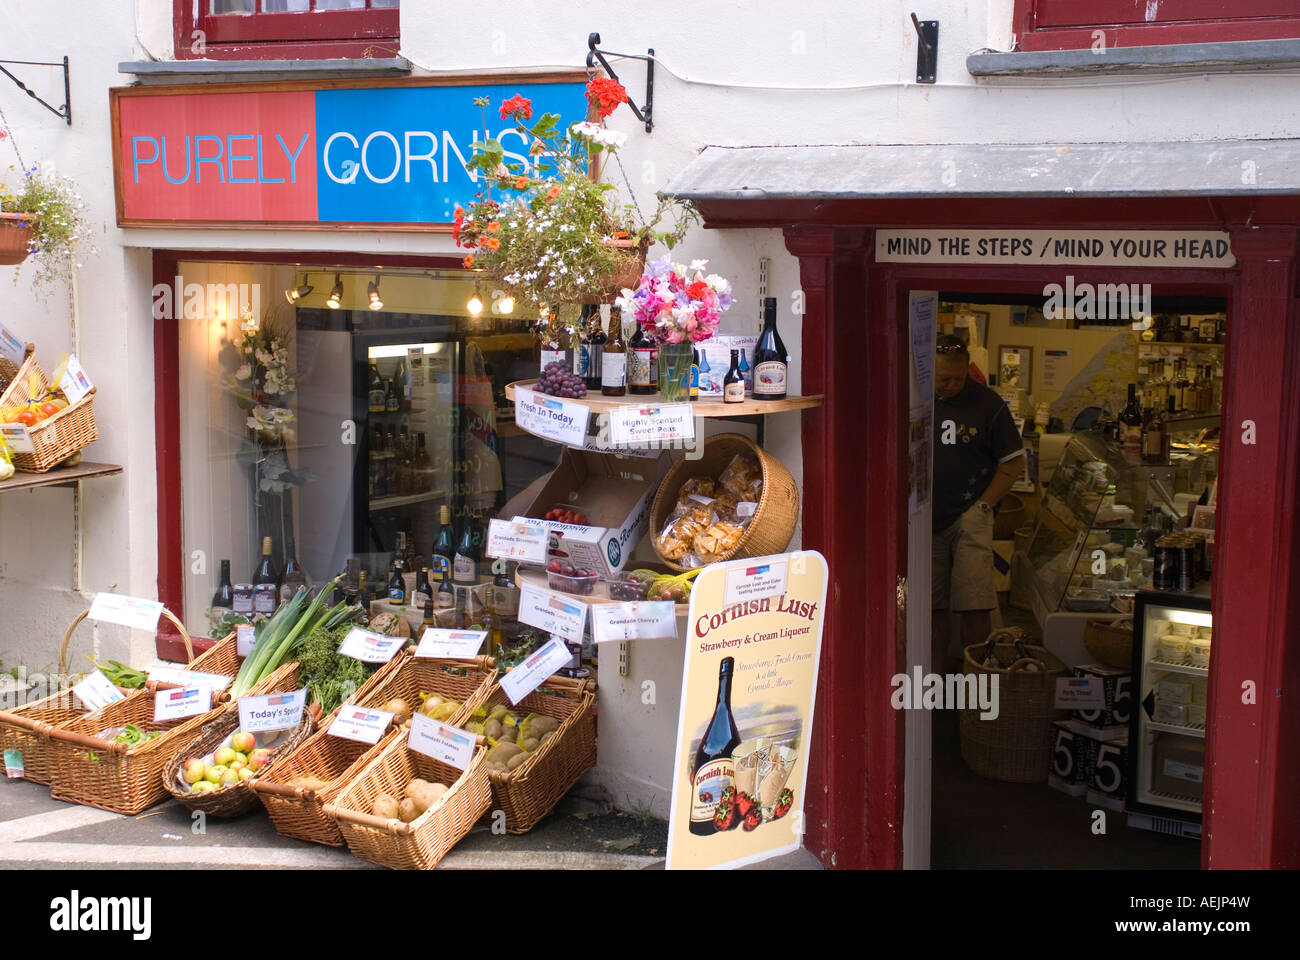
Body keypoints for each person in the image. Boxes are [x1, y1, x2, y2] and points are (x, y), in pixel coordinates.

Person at [931, 334, 1025, 672]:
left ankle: (977, 682)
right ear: (931, 370)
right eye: (944, 378)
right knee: (932, 606)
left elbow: (1013, 463)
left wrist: (984, 506)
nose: (951, 384)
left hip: (972, 514)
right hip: (927, 516)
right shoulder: (916, 400)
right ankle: (933, 681)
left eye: (958, 378)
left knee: (975, 604)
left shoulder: (988, 404)